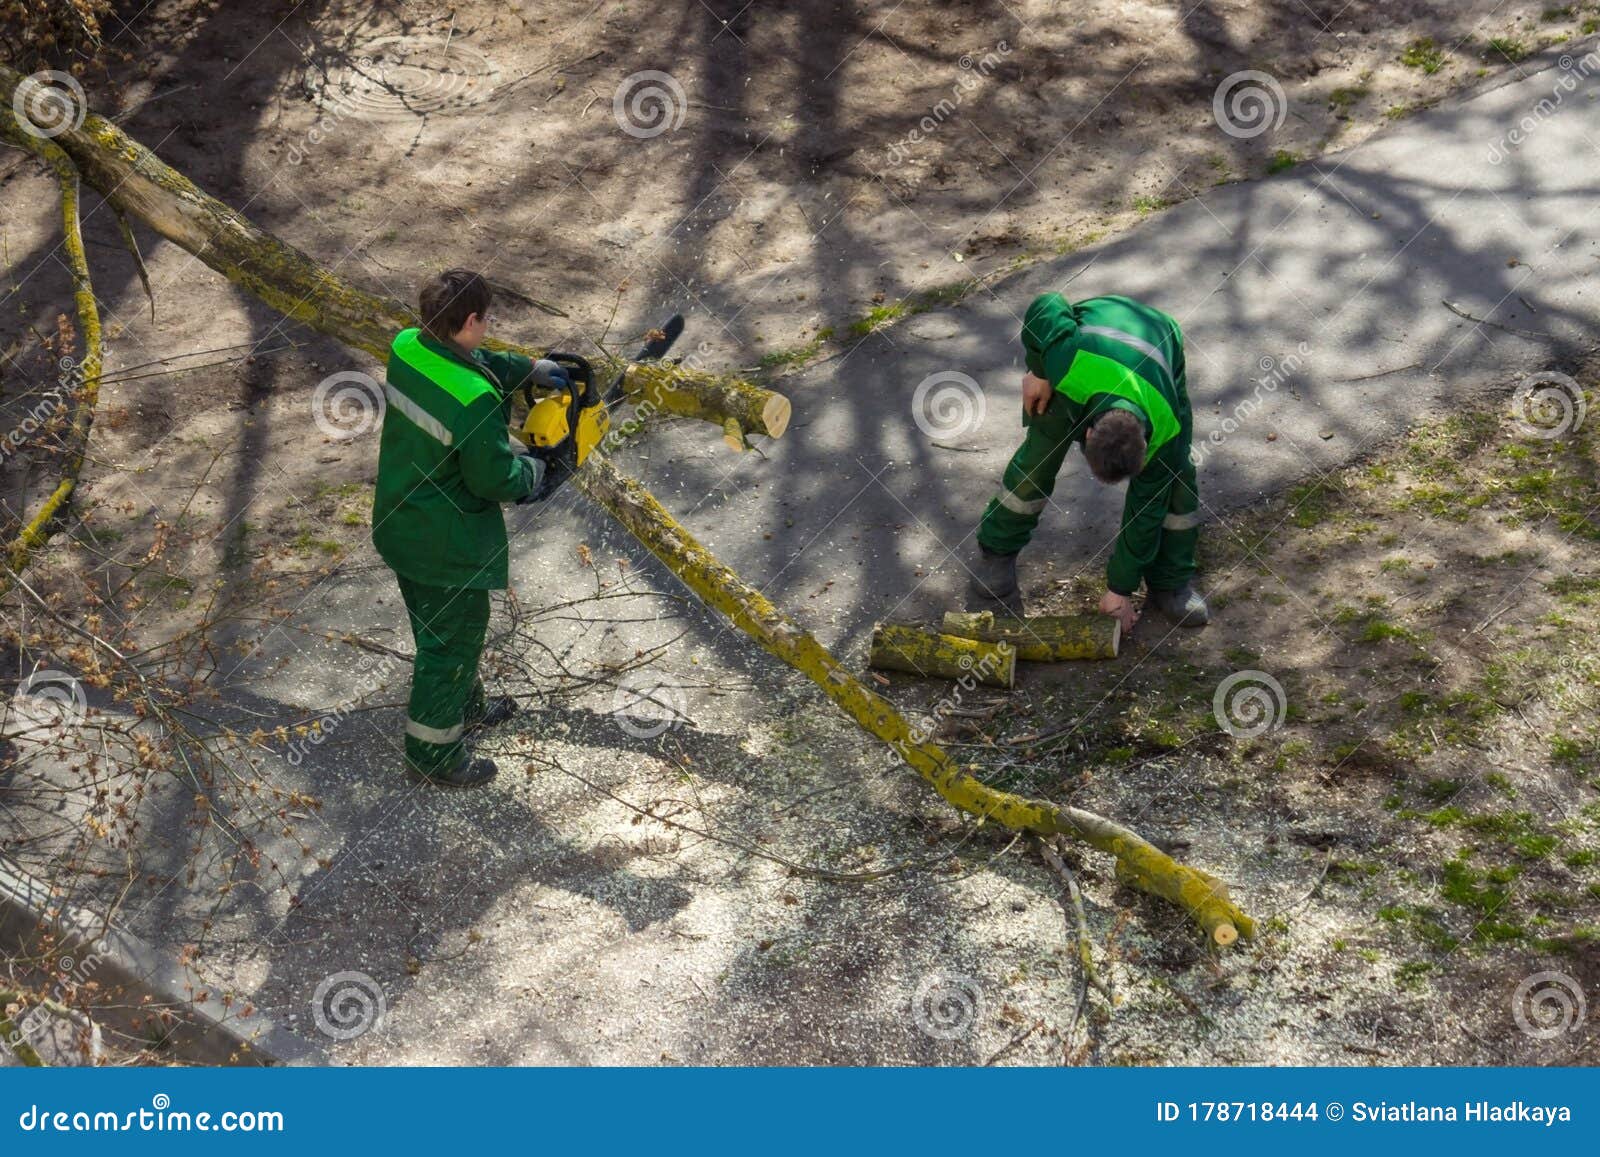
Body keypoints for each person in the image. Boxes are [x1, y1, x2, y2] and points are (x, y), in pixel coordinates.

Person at [371, 269, 572, 787]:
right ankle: (431, 756)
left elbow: (471, 363)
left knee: (441, 631)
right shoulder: (474, 401)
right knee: (451, 642)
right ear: (471, 320)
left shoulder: (409, 346)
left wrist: (529, 369)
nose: (489, 328)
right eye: (486, 320)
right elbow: (496, 478)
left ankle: (465, 708)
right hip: (445, 543)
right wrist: (539, 469)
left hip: (401, 521)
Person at [969, 291, 1209, 633]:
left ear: (1145, 442)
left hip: (1159, 336)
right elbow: (1046, 304)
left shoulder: (1164, 430)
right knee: (1036, 464)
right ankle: (997, 553)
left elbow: (1144, 513)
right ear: (1090, 431)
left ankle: (1170, 580)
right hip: (1090, 346)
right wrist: (1039, 369)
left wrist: (1118, 590)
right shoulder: (1067, 362)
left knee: (1176, 479)